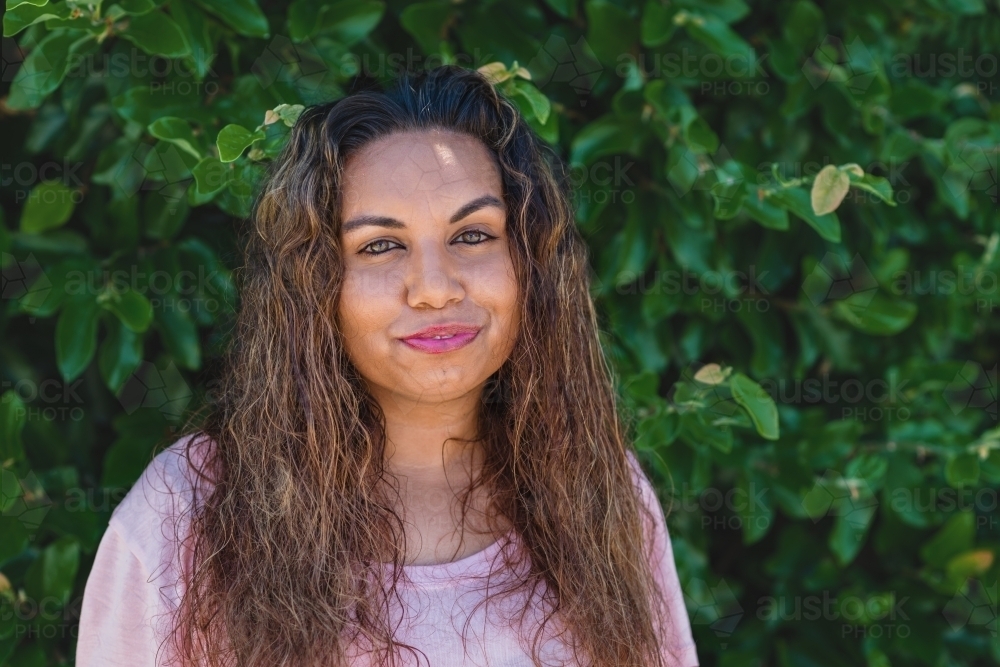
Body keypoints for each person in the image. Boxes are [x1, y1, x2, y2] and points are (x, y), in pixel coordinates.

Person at [76, 65, 699, 667]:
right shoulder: (184, 517)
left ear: (529, 261)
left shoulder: (598, 484)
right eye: (379, 246)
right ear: (314, 284)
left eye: (474, 235)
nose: (434, 288)